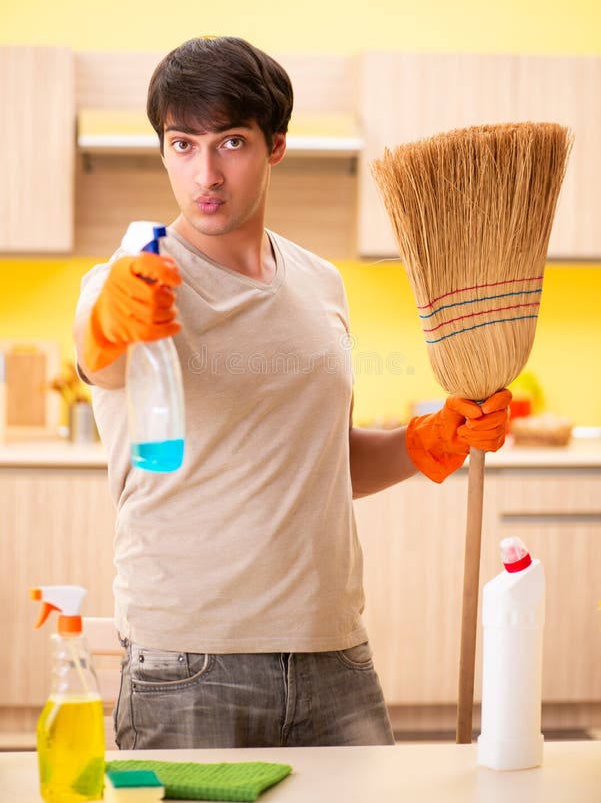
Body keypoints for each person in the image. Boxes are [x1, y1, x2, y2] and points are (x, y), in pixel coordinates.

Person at [74, 36, 511, 749]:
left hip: (333, 653)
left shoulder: (320, 284)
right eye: (182, 145)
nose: (205, 174)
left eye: (231, 143)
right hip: (189, 662)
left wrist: (429, 439)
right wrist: (113, 323)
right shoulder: (132, 279)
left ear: (275, 145)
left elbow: (325, 461)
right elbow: (99, 350)